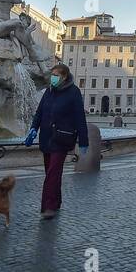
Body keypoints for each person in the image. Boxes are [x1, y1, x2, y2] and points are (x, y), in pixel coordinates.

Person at [25, 63, 89, 218]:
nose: (52, 78)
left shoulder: (74, 92)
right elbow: (40, 112)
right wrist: (33, 128)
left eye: (56, 75)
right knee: (51, 172)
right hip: (46, 137)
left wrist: (83, 141)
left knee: (52, 173)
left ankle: (48, 207)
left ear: (64, 77)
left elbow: (80, 118)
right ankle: (57, 201)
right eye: (52, 75)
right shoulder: (49, 91)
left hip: (62, 137)